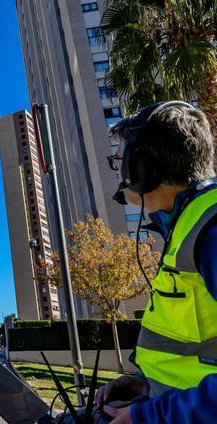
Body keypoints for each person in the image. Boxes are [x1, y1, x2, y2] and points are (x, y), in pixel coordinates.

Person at [97, 101, 217, 423]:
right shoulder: (188, 224)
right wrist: (149, 387)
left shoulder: (211, 227)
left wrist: (150, 416)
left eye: (119, 161)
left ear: (143, 168)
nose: (119, 170)